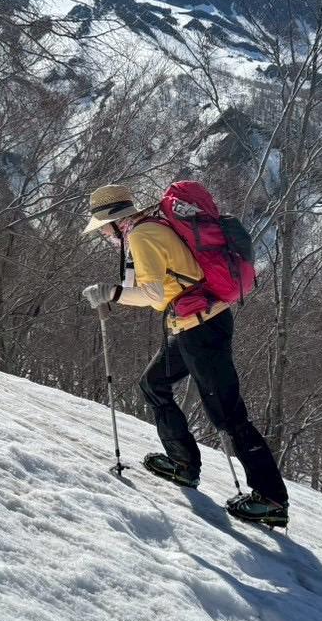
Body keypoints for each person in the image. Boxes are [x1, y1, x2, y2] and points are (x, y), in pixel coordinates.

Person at [81, 184, 289, 527]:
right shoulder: (147, 229)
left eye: (103, 226)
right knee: (153, 384)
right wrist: (115, 290)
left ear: (117, 221)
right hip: (193, 323)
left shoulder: (143, 235)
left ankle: (271, 499)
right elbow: (155, 287)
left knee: (228, 414)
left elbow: (152, 295)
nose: (102, 233)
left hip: (201, 328)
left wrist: (111, 293)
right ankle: (183, 464)